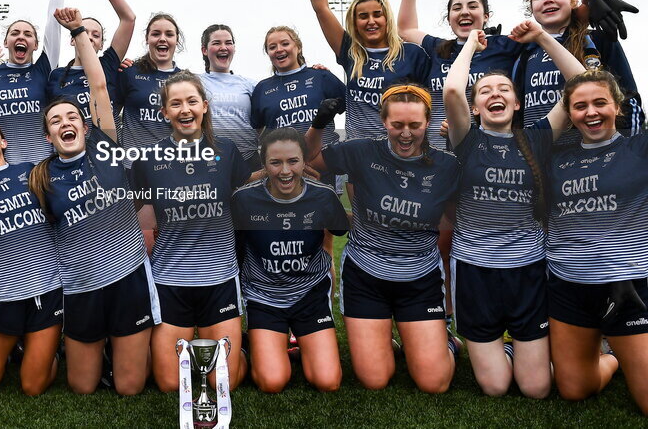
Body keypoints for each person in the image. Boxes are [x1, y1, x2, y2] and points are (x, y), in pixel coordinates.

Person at [444, 22, 583, 398]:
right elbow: (453, 89)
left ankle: (535, 351)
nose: (495, 94)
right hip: (474, 270)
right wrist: (471, 43)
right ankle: (504, 349)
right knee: (495, 387)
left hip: (528, 269)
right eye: (485, 91)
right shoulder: (466, 139)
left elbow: (580, 84)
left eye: (504, 89)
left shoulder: (536, 138)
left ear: (517, 103)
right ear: (475, 108)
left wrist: (542, 37)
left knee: (537, 388)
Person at [30, 7, 159, 395]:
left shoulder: (106, 146)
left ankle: (127, 349)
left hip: (126, 277)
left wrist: (77, 32)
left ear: (85, 126)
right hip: (80, 285)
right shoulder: (40, 177)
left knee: (130, 387)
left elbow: (99, 85)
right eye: (55, 121)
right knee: (82, 387)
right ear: (48, 137)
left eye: (72, 117)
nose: (65, 123)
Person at [305, 85, 461, 393]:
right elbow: (306, 159)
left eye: (415, 125)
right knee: (374, 379)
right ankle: (387, 338)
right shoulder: (361, 150)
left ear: (428, 122)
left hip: (419, 277)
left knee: (434, 383)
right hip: (366, 274)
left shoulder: (446, 165)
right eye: (397, 124)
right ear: (383, 121)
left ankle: (444, 342)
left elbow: (456, 218)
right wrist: (319, 124)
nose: (406, 133)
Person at [133, 71, 253, 392]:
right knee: (169, 384)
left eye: (191, 101)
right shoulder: (149, 159)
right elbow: (134, 212)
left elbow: (249, 197)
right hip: (170, 281)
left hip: (219, 280)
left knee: (223, 382)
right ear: (165, 112)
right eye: (176, 104)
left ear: (204, 106)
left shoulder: (226, 151)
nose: (184, 110)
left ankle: (245, 351)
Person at [547, 69, 648, 414]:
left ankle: (625, 349)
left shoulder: (638, 147)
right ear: (569, 114)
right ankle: (612, 358)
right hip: (568, 285)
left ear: (617, 106)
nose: (591, 112)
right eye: (580, 106)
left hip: (628, 286)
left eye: (600, 103)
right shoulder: (556, 157)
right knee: (574, 390)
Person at [234, 127, 349, 393]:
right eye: (275, 162)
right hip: (264, 298)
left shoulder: (323, 196)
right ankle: (253, 344)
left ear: (304, 162)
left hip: (310, 296)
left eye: (293, 161)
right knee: (272, 382)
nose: (285, 171)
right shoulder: (243, 200)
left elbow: (340, 229)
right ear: (264, 165)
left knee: (327, 381)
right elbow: (236, 250)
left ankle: (303, 344)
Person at [0, 112, 62, 396]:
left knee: (32, 387)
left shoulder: (31, 171)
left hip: (44, 288)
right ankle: (20, 343)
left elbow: (59, 215)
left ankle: (46, 351)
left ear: (3, 141)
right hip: (0, 293)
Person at [294, 0, 430, 140]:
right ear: (355, 22)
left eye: (377, 14)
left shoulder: (411, 53)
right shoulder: (350, 52)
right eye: (363, 16)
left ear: (387, 18)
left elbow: (430, 102)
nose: (371, 21)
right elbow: (321, 9)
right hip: (357, 150)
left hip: (401, 147)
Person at [397, 0, 524, 149]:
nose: (464, 12)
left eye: (472, 6)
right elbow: (405, 30)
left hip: (487, 150)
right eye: (457, 8)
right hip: (438, 150)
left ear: (486, 16)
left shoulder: (504, 44)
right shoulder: (439, 48)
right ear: (449, 19)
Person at [515, 0, 640, 136]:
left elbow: (628, 96)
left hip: (589, 146)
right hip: (539, 145)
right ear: (531, 9)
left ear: (574, 2)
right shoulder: (523, 51)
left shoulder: (596, 40)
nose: (548, 0)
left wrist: (630, 144)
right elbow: (516, 108)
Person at [0, 0, 69, 164]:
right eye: (15, 33)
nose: (21, 36)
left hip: (43, 166)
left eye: (28, 34)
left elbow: (54, 22)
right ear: (6, 42)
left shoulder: (43, 69)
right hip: (4, 168)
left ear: (36, 45)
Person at [46, 0, 135, 124]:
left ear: (101, 45)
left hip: (106, 139)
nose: (89, 37)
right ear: (72, 39)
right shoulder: (56, 76)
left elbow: (128, 18)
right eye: (83, 31)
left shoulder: (109, 65)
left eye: (96, 35)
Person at [251, 25, 344, 166]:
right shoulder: (262, 88)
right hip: (285, 167)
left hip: (324, 162)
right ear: (268, 53)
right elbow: (256, 132)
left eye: (285, 44)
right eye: (272, 47)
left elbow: (354, 109)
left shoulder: (321, 76)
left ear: (298, 47)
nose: (279, 49)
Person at [117, 13, 183, 163]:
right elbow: (112, 112)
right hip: (133, 164)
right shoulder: (129, 72)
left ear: (176, 40)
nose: (162, 38)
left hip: (171, 164)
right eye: (156, 34)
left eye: (169, 34)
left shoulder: (185, 80)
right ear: (147, 39)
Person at [200, 24, 260, 170]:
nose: (223, 47)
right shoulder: (195, 82)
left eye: (228, 43)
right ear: (204, 50)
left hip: (248, 159)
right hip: (210, 159)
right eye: (216, 43)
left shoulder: (251, 84)